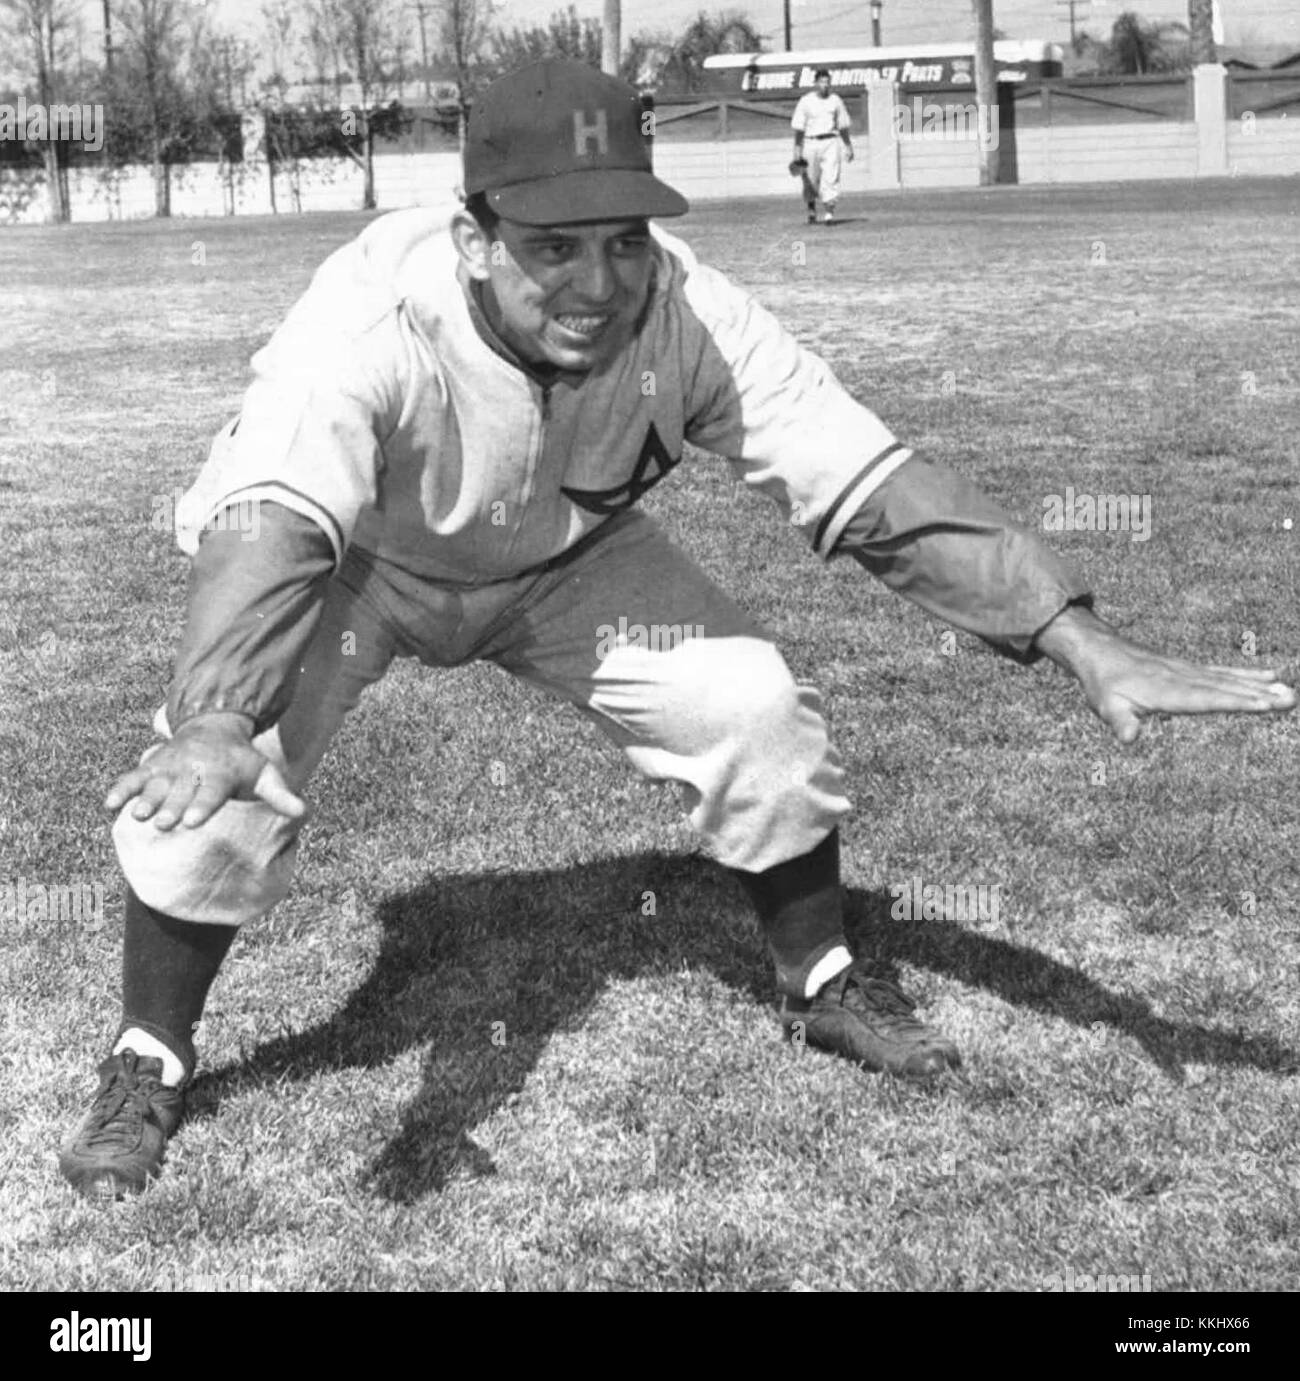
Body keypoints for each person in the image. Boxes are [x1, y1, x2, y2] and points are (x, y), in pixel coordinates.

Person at [58, 59, 1295, 1199]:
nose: (598, 286)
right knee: (211, 788)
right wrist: (218, 714)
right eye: (553, 246)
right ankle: (149, 1055)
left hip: (565, 561)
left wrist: (1075, 634)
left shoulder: (688, 313)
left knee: (755, 708)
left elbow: (864, 478)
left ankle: (821, 979)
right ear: (472, 239)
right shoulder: (371, 321)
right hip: (360, 566)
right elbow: (274, 523)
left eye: (625, 241)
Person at [791, 68, 854, 223]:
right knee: (811, 179)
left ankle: (829, 212)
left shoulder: (835, 100)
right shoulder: (806, 101)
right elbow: (799, 128)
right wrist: (797, 150)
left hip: (830, 141)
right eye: (821, 82)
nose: (825, 85)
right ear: (815, 83)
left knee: (831, 176)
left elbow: (843, 125)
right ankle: (811, 208)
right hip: (810, 142)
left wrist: (848, 145)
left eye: (827, 82)